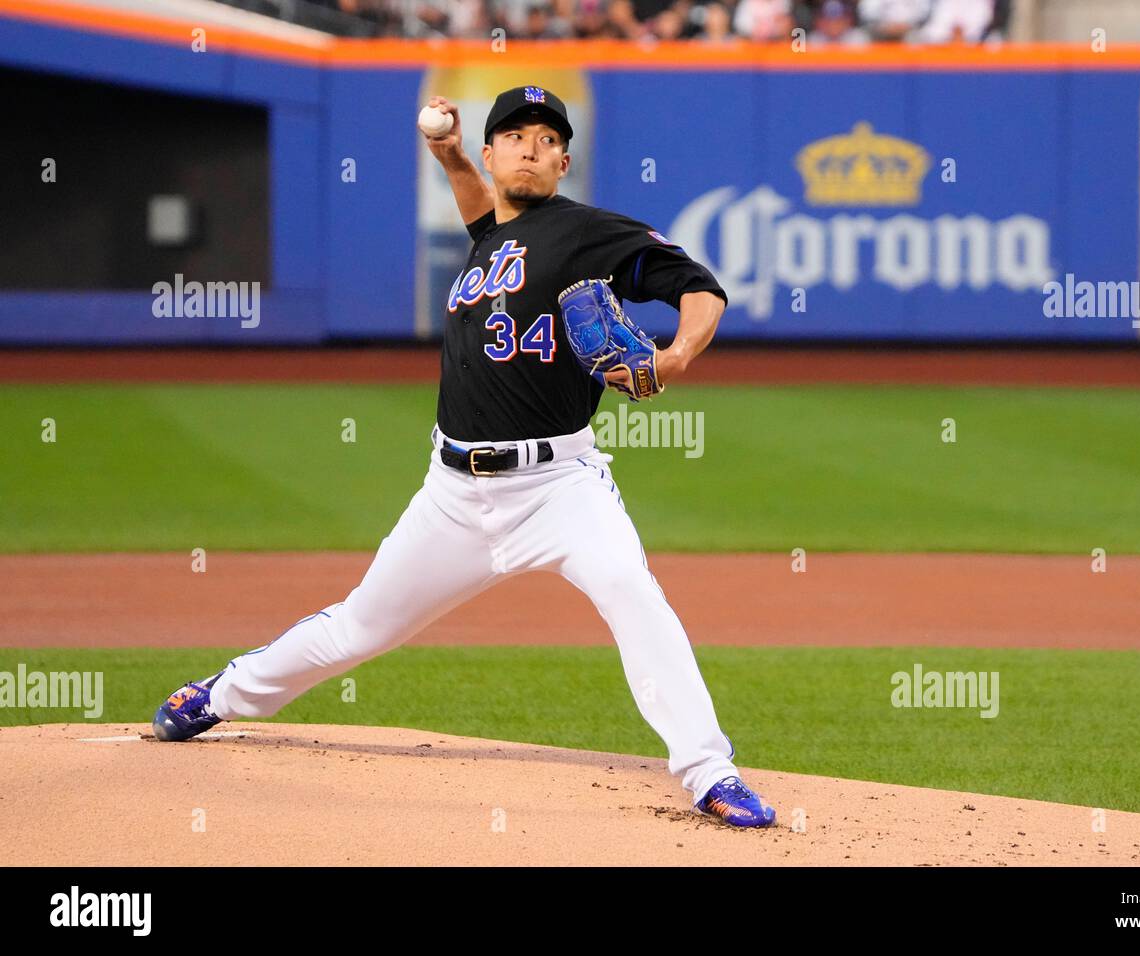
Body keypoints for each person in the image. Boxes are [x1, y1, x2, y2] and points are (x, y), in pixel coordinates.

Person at [150, 86, 778, 830]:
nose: (530, 146)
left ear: (564, 161)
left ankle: (710, 771)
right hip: (451, 494)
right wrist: (447, 153)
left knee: (634, 597)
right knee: (360, 627)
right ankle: (221, 695)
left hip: (559, 488)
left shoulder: (589, 234)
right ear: (493, 153)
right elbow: (479, 206)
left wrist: (672, 359)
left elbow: (699, 287)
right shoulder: (488, 235)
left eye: (547, 139)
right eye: (514, 134)